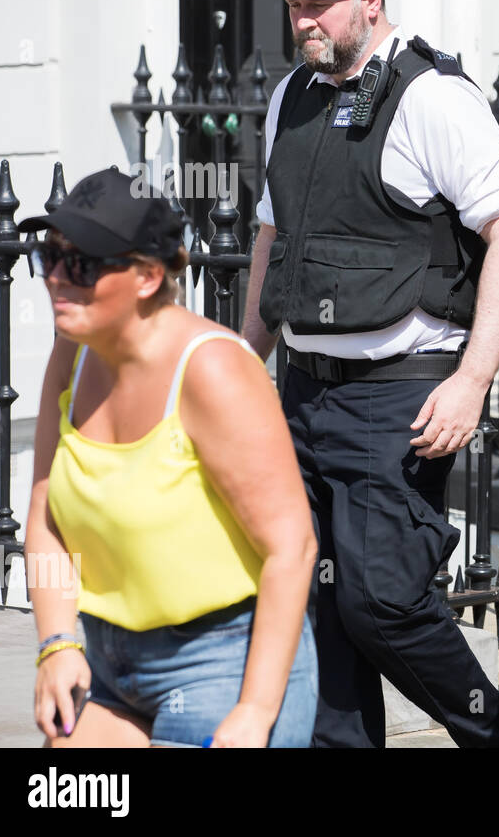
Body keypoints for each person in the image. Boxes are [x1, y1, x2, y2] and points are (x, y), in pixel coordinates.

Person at [239, 0, 499, 748]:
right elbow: (274, 241)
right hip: (302, 391)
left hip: (397, 397)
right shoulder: (289, 99)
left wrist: (472, 382)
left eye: (320, 1)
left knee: (382, 601)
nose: (302, 19)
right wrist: (237, 363)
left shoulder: (433, 98)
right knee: (316, 600)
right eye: (295, 1)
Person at [21, 168, 318, 748]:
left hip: (223, 664)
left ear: (147, 276)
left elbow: (293, 547)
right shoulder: (71, 355)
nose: (56, 278)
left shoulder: (214, 368)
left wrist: (255, 710)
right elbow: (46, 519)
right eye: (49, 256)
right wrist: (57, 642)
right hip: (105, 661)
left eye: (79, 264)